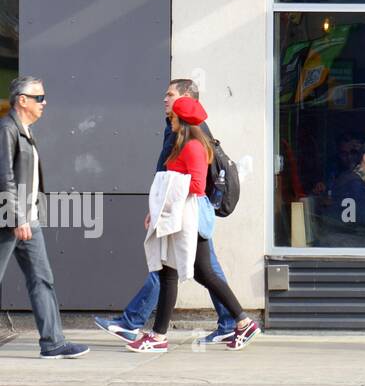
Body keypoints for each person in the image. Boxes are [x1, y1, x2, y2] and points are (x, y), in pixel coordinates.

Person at [95, 79, 238, 345]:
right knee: (198, 270)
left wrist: (163, 203)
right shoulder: (177, 128)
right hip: (180, 208)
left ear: (186, 100)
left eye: (170, 94)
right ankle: (232, 321)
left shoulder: (192, 132)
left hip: (187, 210)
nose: (165, 99)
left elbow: (191, 179)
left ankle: (137, 324)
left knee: (175, 269)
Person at [130, 96, 260, 352]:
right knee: (191, 273)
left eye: (172, 117)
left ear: (181, 120)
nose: (170, 121)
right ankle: (242, 322)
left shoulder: (192, 147)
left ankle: (159, 337)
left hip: (189, 216)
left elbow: (198, 186)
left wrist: (167, 190)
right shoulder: (185, 143)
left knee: (177, 273)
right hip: (181, 214)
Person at [0, 77, 89, 359]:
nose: (44, 102)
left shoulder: (23, 129)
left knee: (42, 278)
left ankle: (53, 343)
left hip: (27, 218)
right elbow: (5, 178)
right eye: (39, 97)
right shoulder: (6, 129)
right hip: (9, 219)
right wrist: (16, 218)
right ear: (22, 100)